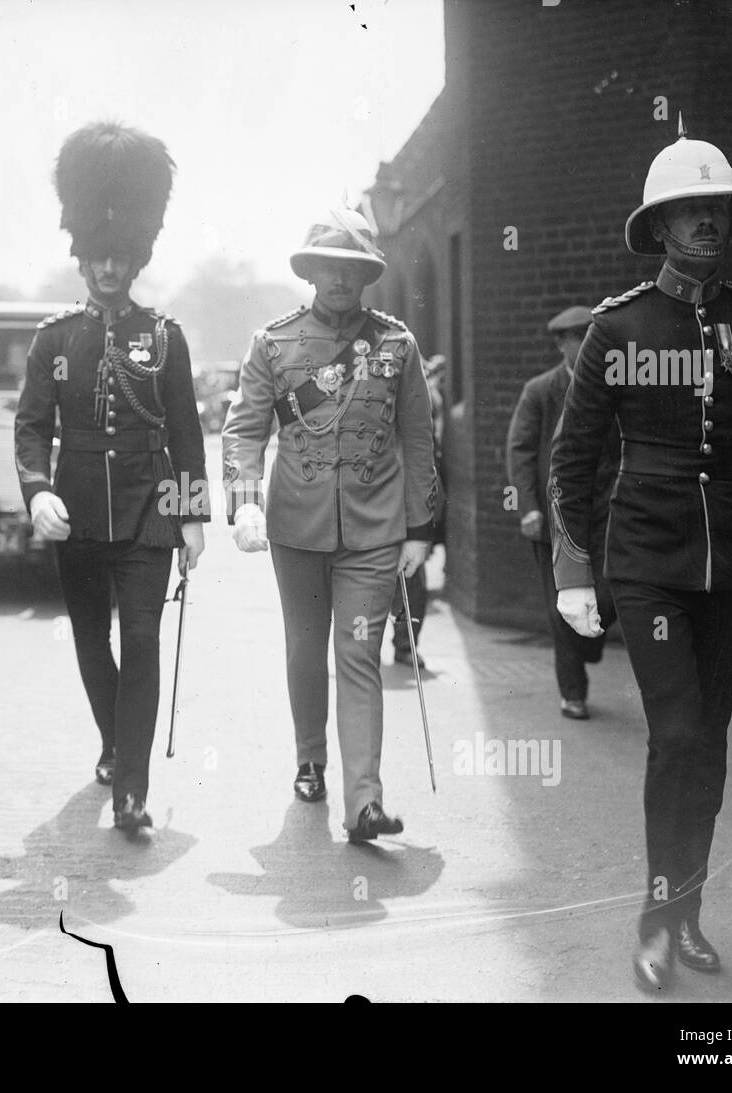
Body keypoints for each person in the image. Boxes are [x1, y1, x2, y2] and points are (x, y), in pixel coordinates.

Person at [548, 120, 732, 991]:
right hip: (646, 562)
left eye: (716, 210)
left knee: (706, 744)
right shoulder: (618, 328)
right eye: (687, 212)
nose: (705, 224)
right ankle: (656, 918)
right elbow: (572, 458)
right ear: (660, 228)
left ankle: (689, 916)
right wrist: (572, 574)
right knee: (675, 736)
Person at [14, 122, 209, 833]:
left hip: (148, 512)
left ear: (137, 259)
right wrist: (37, 490)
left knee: (145, 639)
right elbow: (32, 426)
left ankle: (132, 787)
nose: (107, 269)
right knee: (92, 641)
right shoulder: (54, 338)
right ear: (81, 257)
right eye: (97, 257)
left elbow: (186, 431)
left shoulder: (165, 336)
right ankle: (113, 741)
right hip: (76, 514)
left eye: (120, 257)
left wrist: (191, 515)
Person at [221, 208, 439, 842]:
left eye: (353, 270)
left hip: (374, 531)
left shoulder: (397, 345)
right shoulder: (273, 343)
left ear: (366, 275)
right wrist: (245, 502)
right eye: (329, 269)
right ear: (310, 271)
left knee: (359, 653)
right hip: (294, 528)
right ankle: (309, 759)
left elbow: (418, 440)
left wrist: (421, 529)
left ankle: (364, 803)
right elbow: (244, 432)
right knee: (304, 649)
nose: (340, 281)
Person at [506, 305, 620, 719]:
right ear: (561, 345)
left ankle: (590, 640)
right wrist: (529, 507)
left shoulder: (613, 387)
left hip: (605, 510)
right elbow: (519, 451)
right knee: (561, 605)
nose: (590, 347)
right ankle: (573, 693)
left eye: (594, 338)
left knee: (609, 594)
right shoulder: (540, 391)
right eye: (580, 339)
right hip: (554, 518)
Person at [389, 352, 447, 669]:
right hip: (377, 505)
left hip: (411, 505)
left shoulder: (421, 399)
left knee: (413, 580)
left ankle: (405, 644)